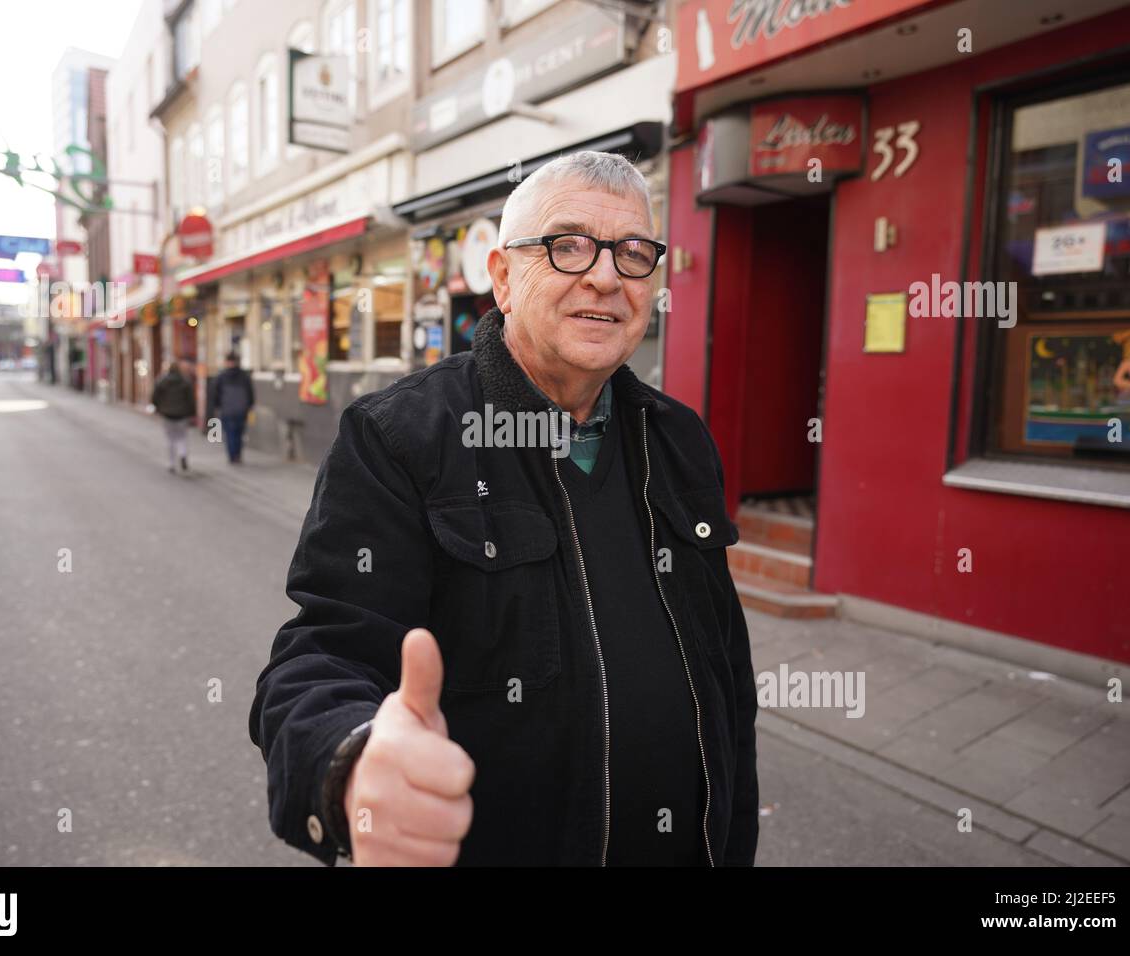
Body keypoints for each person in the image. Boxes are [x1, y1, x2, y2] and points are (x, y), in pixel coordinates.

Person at [249, 150, 758, 867]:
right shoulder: (400, 437)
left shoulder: (679, 439)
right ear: (503, 277)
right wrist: (351, 765)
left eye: (634, 252)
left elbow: (726, 679)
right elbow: (322, 654)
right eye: (568, 245)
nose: (607, 276)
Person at [149, 359, 196, 474]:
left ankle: (171, 463)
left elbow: (154, 396)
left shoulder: (161, 380)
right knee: (182, 437)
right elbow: (191, 399)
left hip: (167, 414)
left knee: (170, 439)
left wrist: (157, 407)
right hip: (182, 415)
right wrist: (192, 412)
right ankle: (182, 454)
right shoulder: (185, 381)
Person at [209, 352, 254, 463]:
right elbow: (250, 393)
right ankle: (237, 454)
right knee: (239, 432)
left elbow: (215, 393)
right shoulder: (244, 376)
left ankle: (232, 455)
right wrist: (249, 406)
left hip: (227, 409)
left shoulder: (221, 376)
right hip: (241, 410)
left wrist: (217, 406)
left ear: (227, 362)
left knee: (230, 433)